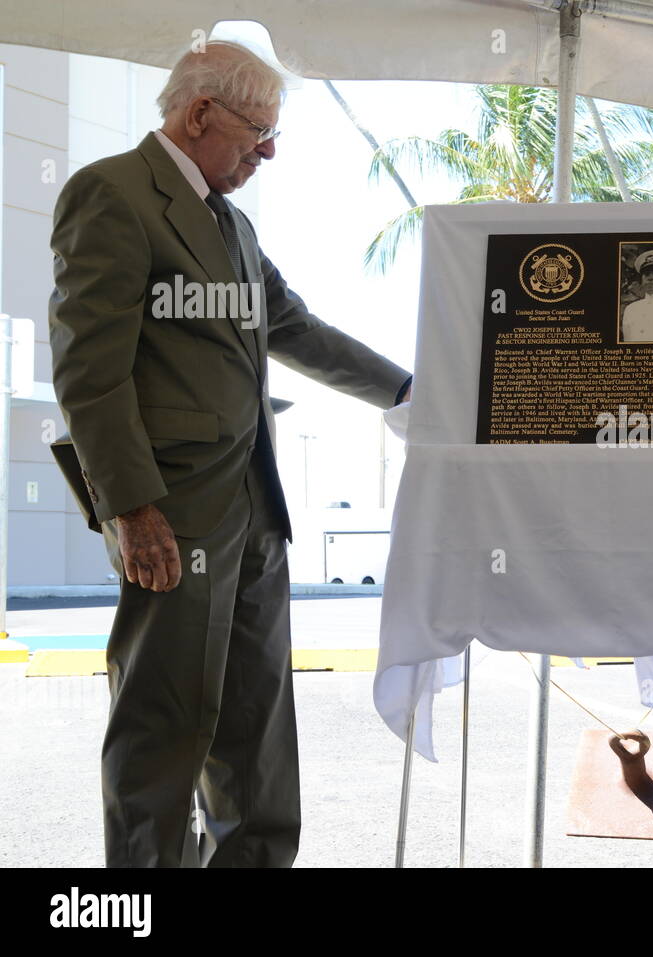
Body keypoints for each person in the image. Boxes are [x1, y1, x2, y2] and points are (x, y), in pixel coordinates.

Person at [48, 40, 413, 867]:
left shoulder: (234, 226)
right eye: (259, 132)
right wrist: (131, 507)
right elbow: (89, 370)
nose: (269, 153)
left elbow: (296, 328)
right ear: (200, 112)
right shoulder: (113, 194)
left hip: (255, 510)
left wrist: (405, 390)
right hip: (171, 512)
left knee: (257, 730)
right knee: (164, 725)